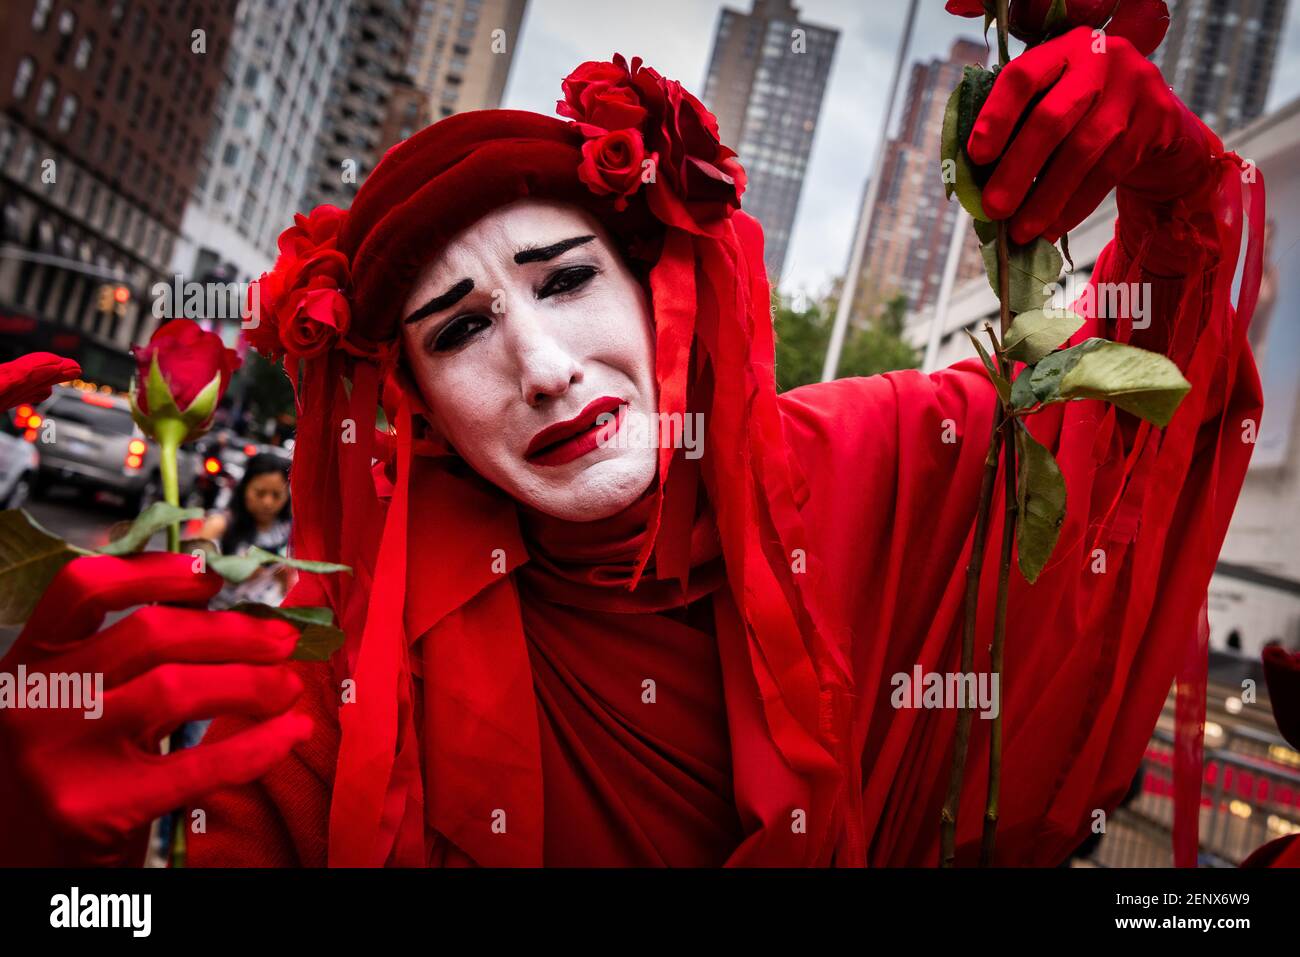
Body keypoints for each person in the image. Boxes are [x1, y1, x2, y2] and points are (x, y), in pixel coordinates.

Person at [0, 29, 1266, 867]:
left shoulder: (885, 452)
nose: (542, 368)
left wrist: (1167, 184)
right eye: (460, 331)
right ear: (420, 410)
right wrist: (51, 874)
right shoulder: (347, 689)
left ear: (658, 290)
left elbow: (1130, 434)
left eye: (563, 284)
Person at [199, 453, 296, 610]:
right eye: (260, 493)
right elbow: (194, 568)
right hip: (219, 615)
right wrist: (232, 572)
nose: (267, 502)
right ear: (245, 488)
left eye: (276, 495)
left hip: (267, 619)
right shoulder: (219, 524)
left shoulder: (288, 531)